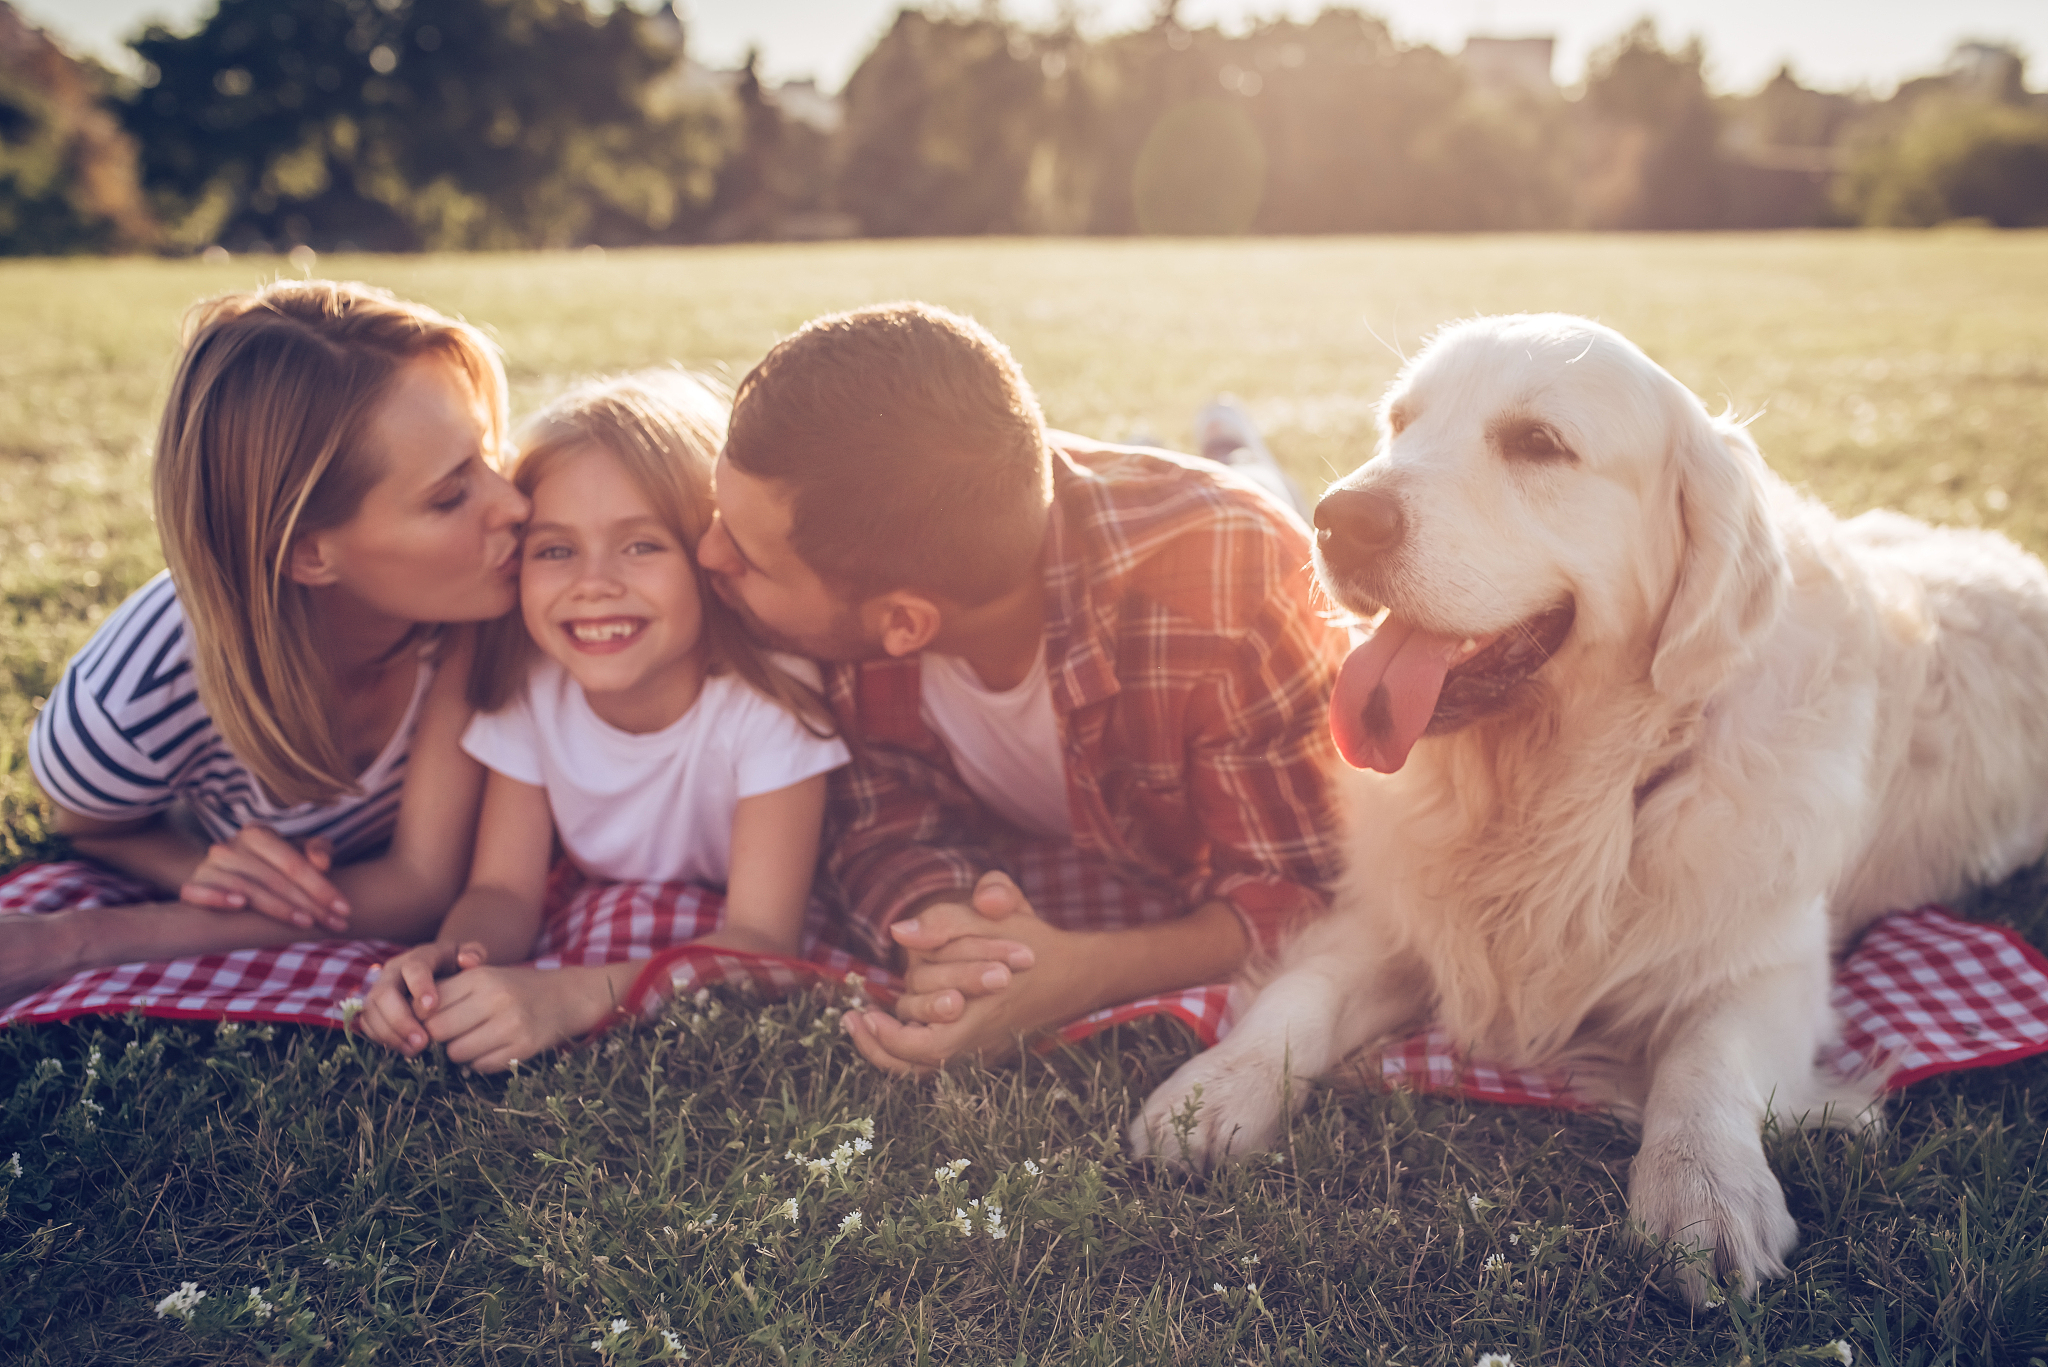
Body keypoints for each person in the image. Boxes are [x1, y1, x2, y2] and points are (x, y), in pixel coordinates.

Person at [694, 301, 1350, 1072]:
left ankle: (1230, 437)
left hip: (1260, 543)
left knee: (1269, 493)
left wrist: (1078, 975)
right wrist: (957, 943)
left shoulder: (1237, 590)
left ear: (905, 623)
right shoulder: (864, 570)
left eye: (744, 552)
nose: (706, 553)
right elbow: (885, 823)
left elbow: (1298, 889)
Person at [1, 279, 528, 1010]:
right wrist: (195, 868)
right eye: (449, 496)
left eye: (490, 455)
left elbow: (419, 884)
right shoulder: (129, 696)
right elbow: (89, 826)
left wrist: (83, 939)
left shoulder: (474, 610)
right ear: (308, 554)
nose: (515, 504)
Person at [357, 372, 849, 1071]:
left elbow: (762, 941)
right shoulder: (534, 689)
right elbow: (503, 890)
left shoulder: (769, 701)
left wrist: (568, 997)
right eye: (555, 549)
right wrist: (453, 966)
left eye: (641, 545)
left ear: (709, 558)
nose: (595, 582)